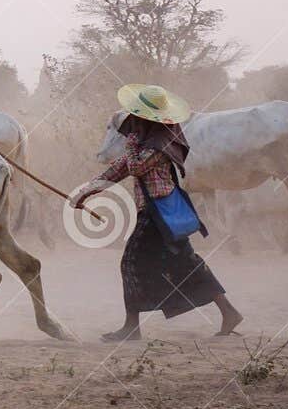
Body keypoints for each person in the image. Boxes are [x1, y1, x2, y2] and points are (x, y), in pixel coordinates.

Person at [70, 84, 243, 342]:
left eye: (138, 115)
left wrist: (129, 142)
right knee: (187, 262)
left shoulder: (161, 142)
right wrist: (87, 191)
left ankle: (131, 327)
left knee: (130, 262)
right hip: (159, 212)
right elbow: (120, 168)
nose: (133, 119)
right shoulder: (149, 139)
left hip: (158, 213)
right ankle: (228, 312)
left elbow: (136, 167)